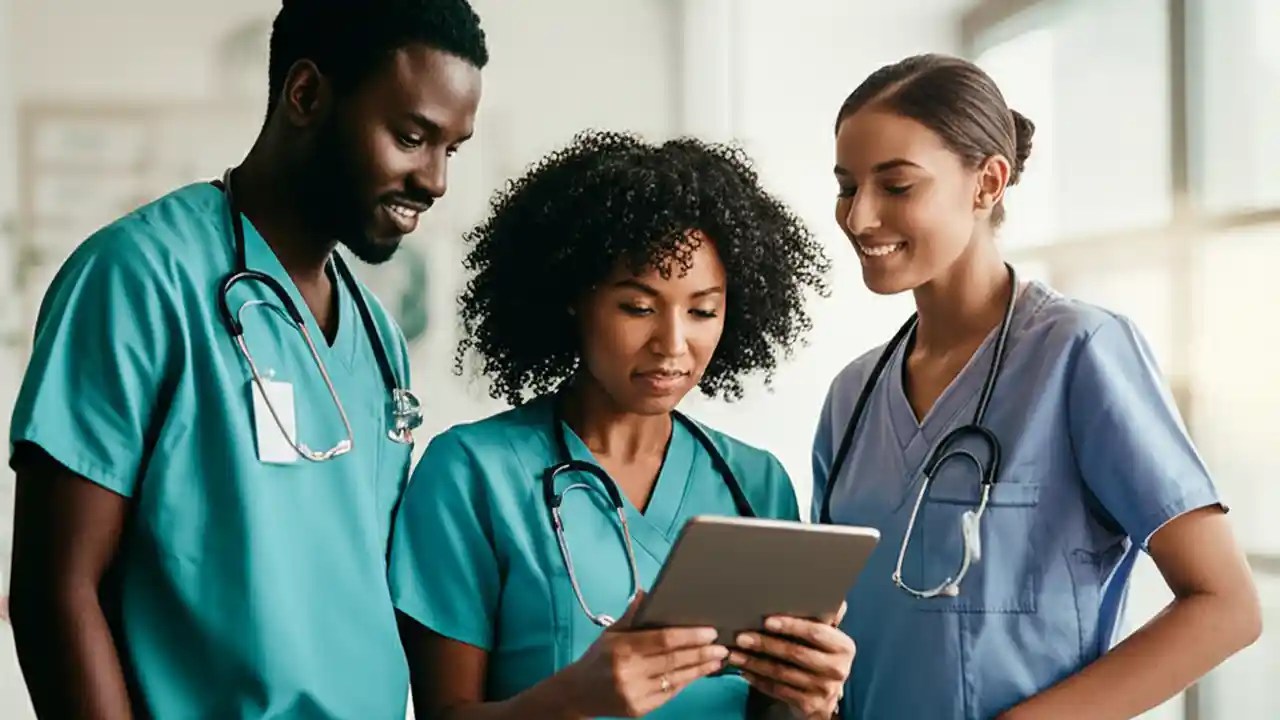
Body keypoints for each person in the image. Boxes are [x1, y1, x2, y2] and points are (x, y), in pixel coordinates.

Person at [7, 1, 486, 717]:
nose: (434, 179)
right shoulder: (139, 278)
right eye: (412, 136)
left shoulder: (379, 339)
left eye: (452, 149)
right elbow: (54, 591)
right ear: (306, 95)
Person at [812, 53, 1262, 719]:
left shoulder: (1078, 352)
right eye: (848, 187)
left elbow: (1227, 607)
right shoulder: (852, 395)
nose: (859, 217)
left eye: (897, 186)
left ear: (988, 182)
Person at [389, 130, 852, 719]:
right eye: (638, 307)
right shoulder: (473, 473)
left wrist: (811, 704)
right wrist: (574, 698)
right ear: (571, 299)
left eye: (703, 310)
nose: (673, 344)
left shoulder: (756, 484)